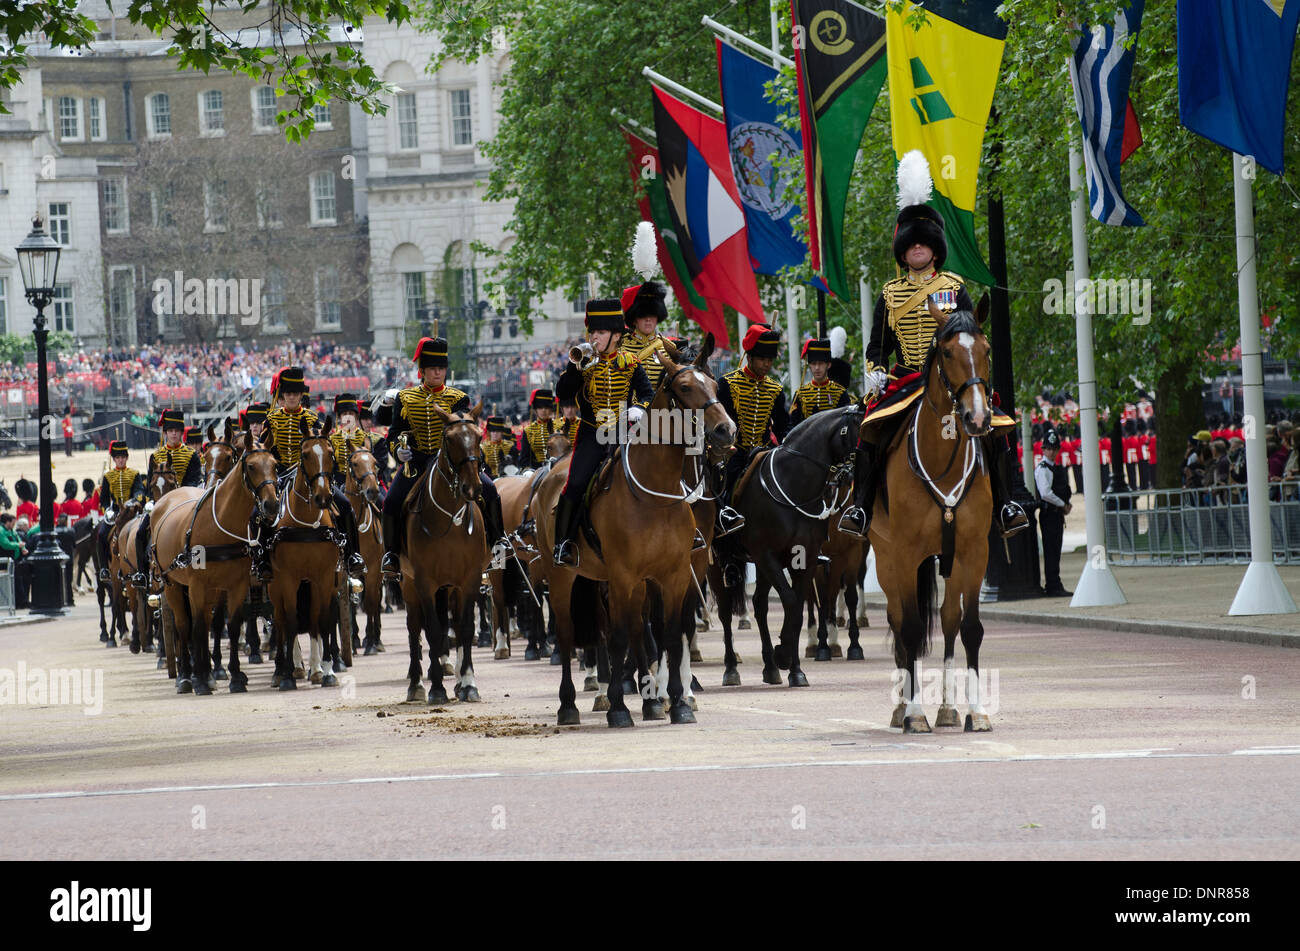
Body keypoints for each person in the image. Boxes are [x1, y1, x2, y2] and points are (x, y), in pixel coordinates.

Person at [838, 151, 1027, 540]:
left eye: (924, 244)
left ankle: (1007, 503)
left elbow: (972, 334)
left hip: (952, 379)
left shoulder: (954, 288)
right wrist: (875, 371)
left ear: (934, 249)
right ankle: (860, 508)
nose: (918, 250)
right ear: (903, 251)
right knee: (870, 430)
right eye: (911, 246)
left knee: (996, 425)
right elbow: (878, 346)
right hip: (907, 379)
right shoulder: (889, 294)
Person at [381, 336, 508, 576]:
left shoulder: (458, 398)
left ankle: (499, 542)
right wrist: (398, 451)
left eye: (441, 368)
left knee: (489, 490)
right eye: (432, 368)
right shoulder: (405, 398)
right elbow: (395, 433)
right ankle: (391, 555)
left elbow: (464, 431)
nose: (437, 373)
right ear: (422, 371)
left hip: (451, 463)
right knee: (391, 501)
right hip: (416, 463)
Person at [551, 299, 655, 568]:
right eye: (592, 332)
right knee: (575, 483)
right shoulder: (583, 362)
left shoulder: (630, 362)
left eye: (600, 332)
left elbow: (647, 393)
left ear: (616, 335)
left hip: (625, 434)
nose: (594, 337)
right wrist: (577, 368)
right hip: (592, 434)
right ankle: (562, 542)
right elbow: (562, 393)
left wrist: (639, 409)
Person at [253, 368, 365, 581]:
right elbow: (265, 451)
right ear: (283, 394)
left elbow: (324, 449)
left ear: (301, 395)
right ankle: (262, 560)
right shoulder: (272, 419)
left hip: (311, 476)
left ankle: (353, 555)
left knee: (345, 506)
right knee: (256, 512)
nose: (292, 396)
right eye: (288, 392)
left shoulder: (313, 419)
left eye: (296, 392)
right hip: (281, 475)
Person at [715, 322, 790, 542]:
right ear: (749, 357)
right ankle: (722, 520)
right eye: (762, 359)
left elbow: (782, 425)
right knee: (720, 481)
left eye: (769, 360)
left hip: (765, 452)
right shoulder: (727, 384)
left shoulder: (775, 390)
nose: (767, 364)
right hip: (736, 451)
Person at [132, 409, 202, 588]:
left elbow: (193, 481)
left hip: (185, 503)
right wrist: (149, 500)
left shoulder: (191, 455)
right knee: (140, 533)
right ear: (165, 433)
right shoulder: (156, 456)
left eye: (177, 431)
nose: (173, 434)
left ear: (181, 432)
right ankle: (142, 574)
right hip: (159, 505)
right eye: (170, 431)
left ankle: (200, 568)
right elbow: (149, 484)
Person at [96, 441, 145, 581]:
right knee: (101, 534)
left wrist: (134, 501)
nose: (121, 460)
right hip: (115, 512)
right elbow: (104, 498)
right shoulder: (108, 476)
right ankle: (104, 568)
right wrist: (107, 510)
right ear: (114, 459)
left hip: (131, 512)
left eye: (123, 457)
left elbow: (139, 491)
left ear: (127, 458)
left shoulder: (134, 474)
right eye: (118, 457)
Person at [1035, 428, 1072, 597]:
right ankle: (1053, 584)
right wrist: (1063, 504)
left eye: (1054, 449)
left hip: (1055, 513)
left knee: (1055, 550)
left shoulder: (1054, 468)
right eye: (1048, 449)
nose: (1051, 452)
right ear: (1043, 449)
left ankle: (1054, 582)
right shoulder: (1043, 469)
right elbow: (1045, 493)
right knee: (1051, 550)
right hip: (1050, 513)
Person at [789, 334, 850, 427]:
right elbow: (793, 425)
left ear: (828, 365)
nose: (817, 368)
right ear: (809, 365)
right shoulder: (800, 394)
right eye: (814, 364)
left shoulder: (840, 393)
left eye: (821, 363)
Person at [517, 389, 557, 469]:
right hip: (535, 470)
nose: (543, 410)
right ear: (535, 410)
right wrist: (528, 470)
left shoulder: (559, 427)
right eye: (540, 407)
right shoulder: (528, 430)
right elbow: (524, 458)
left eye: (546, 407)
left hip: (556, 468)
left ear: (550, 409)